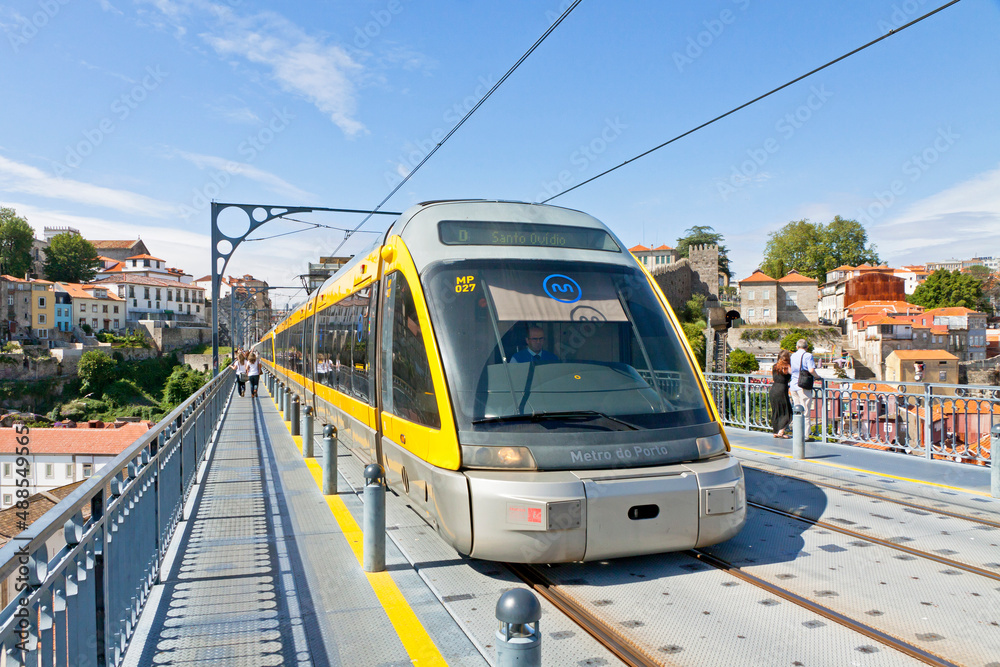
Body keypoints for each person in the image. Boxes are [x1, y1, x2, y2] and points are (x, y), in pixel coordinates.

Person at [789, 339, 821, 439]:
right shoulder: (808, 355)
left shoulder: (793, 355)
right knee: (805, 411)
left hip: (793, 385)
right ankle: (805, 435)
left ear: (797, 347)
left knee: (797, 410)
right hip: (803, 385)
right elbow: (811, 369)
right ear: (807, 347)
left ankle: (797, 433)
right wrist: (817, 376)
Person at [769, 350, 793, 438]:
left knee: (776, 411)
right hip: (782, 389)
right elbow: (794, 374)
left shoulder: (775, 366)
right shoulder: (787, 367)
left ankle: (776, 431)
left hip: (773, 389)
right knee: (787, 411)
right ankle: (781, 432)